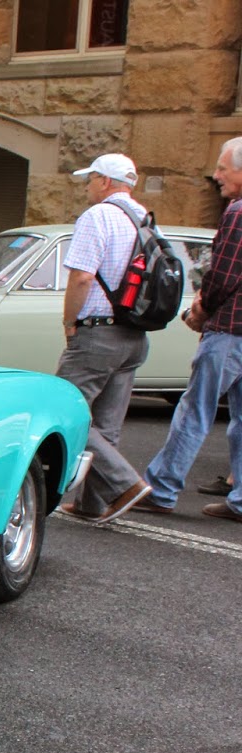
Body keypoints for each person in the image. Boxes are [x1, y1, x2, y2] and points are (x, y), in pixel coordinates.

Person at [135, 137, 242, 523]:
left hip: (229, 329)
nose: (216, 175)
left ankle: (161, 488)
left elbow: (223, 275)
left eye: (222, 168)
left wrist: (201, 309)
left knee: (195, 409)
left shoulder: (238, 212)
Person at [55, 153, 154, 523]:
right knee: (106, 424)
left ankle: (125, 483)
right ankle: (93, 504)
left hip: (98, 332)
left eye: (91, 179)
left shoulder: (97, 216)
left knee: (65, 408)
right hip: (134, 334)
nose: (87, 186)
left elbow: (82, 277)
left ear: (106, 182)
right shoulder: (145, 219)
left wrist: (69, 322)